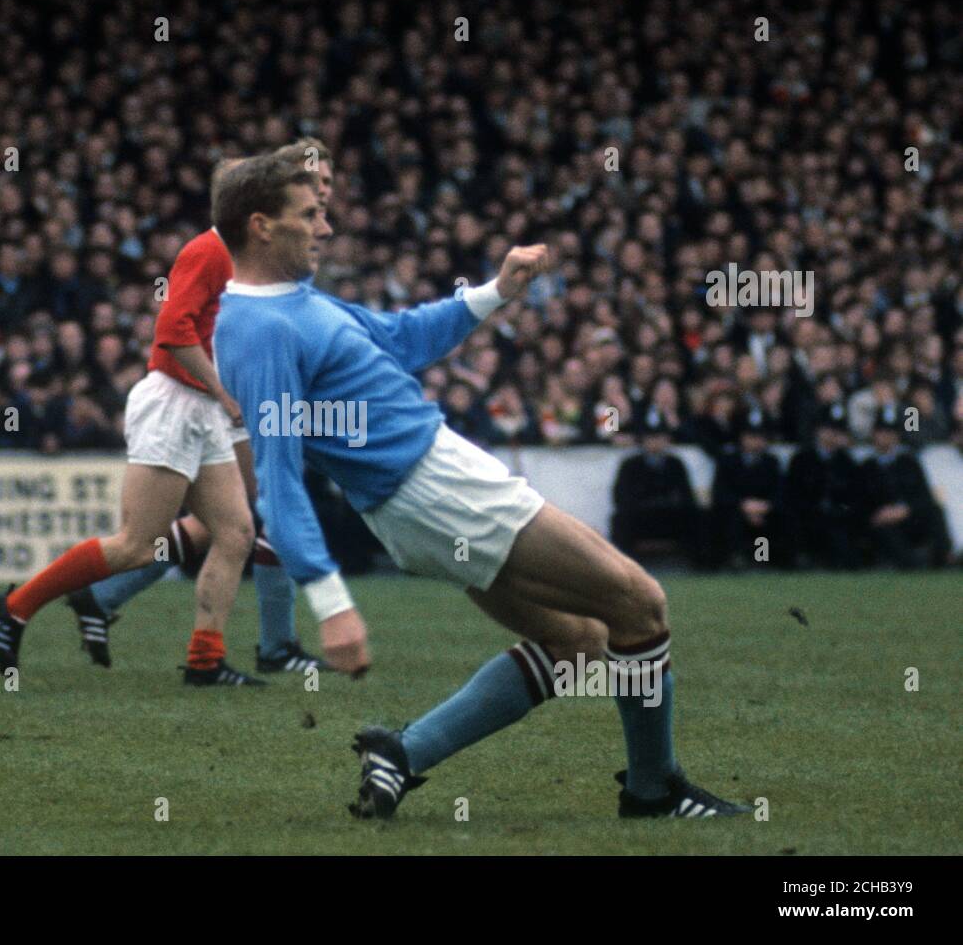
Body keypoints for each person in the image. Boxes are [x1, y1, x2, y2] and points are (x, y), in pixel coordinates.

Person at [212, 153, 748, 819]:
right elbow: (279, 481)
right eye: (311, 214)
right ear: (261, 226)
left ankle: (404, 756)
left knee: (577, 643)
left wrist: (495, 290)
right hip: (439, 490)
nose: (326, 225)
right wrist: (331, 602)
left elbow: (401, 338)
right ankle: (654, 791)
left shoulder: (293, 304)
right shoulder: (258, 330)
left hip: (426, 498)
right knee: (640, 603)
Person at [63, 139, 335, 678]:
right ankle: (271, 644)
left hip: (244, 391)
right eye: (314, 181)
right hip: (227, 394)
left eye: (327, 181)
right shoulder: (256, 237)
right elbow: (207, 322)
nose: (323, 191)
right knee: (254, 511)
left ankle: (104, 595)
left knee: (226, 523)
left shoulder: (300, 235)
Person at [858, 408, 951, 568]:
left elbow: (924, 497)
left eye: (891, 432)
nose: (887, 436)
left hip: (909, 517)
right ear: (874, 434)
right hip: (883, 522)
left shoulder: (908, 462)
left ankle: (941, 561)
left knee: (936, 512)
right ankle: (912, 566)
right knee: (884, 531)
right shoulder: (867, 467)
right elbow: (861, 501)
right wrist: (881, 514)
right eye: (882, 431)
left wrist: (906, 509)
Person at [610, 409, 701, 564]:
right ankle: (625, 566)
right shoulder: (630, 464)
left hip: (670, 515)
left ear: (667, 439)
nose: (655, 442)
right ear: (643, 440)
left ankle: (697, 563)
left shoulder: (675, 464)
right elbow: (620, 495)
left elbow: (687, 495)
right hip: (641, 515)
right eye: (650, 437)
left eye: (659, 437)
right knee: (621, 520)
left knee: (696, 516)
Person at [785, 403, 862, 569]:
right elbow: (792, 494)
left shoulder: (846, 461)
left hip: (837, 519)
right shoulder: (802, 459)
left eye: (838, 430)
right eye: (829, 428)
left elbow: (854, 497)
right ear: (818, 430)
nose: (833, 435)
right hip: (807, 518)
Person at [709, 408, 786, 569]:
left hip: (763, 509)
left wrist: (765, 506)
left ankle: (762, 558)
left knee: (771, 521)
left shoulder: (771, 462)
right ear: (742, 437)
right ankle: (735, 557)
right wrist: (743, 505)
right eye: (751, 436)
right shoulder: (728, 460)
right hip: (737, 508)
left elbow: (779, 491)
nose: (756, 441)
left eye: (760, 437)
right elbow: (721, 491)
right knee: (729, 519)